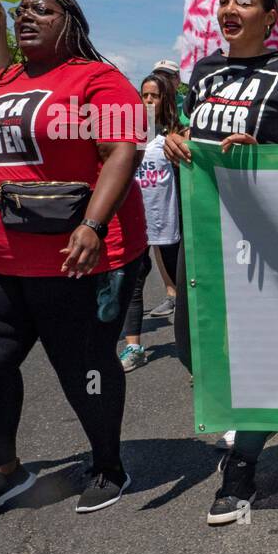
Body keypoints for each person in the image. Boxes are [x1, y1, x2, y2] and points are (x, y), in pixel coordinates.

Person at [0, 0, 148, 521]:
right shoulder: (5, 79)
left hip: (75, 256)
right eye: (19, 13)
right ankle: (5, 472)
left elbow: (121, 150)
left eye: (40, 9)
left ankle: (108, 464)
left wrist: (92, 225)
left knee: (84, 369)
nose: (25, 17)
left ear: (70, 20)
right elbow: (8, 98)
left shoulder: (99, 79)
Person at [161, 0, 278, 526]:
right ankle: (243, 418)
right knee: (194, 347)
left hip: (265, 238)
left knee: (259, 352)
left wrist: (267, 153)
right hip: (206, 230)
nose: (229, 9)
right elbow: (188, 132)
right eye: (223, 1)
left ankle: (242, 470)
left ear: (270, 15)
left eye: (243, 1)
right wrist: (175, 139)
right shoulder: (205, 72)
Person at [118, 73, 183, 371]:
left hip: (168, 226)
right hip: (135, 224)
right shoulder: (130, 135)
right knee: (133, 284)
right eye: (143, 95)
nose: (147, 101)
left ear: (165, 100)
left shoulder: (176, 135)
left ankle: (193, 351)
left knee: (183, 288)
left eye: (153, 96)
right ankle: (134, 347)